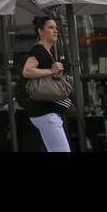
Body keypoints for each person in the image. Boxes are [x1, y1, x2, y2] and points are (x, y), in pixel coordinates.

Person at [22, 16, 71, 152]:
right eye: (51, 27)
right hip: (46, 113)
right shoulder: (39, 50)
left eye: (56, 28)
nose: (55, 31)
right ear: (40, 31)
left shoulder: (46, 52)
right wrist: (51, 70)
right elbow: (27, 71)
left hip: (46, 113)